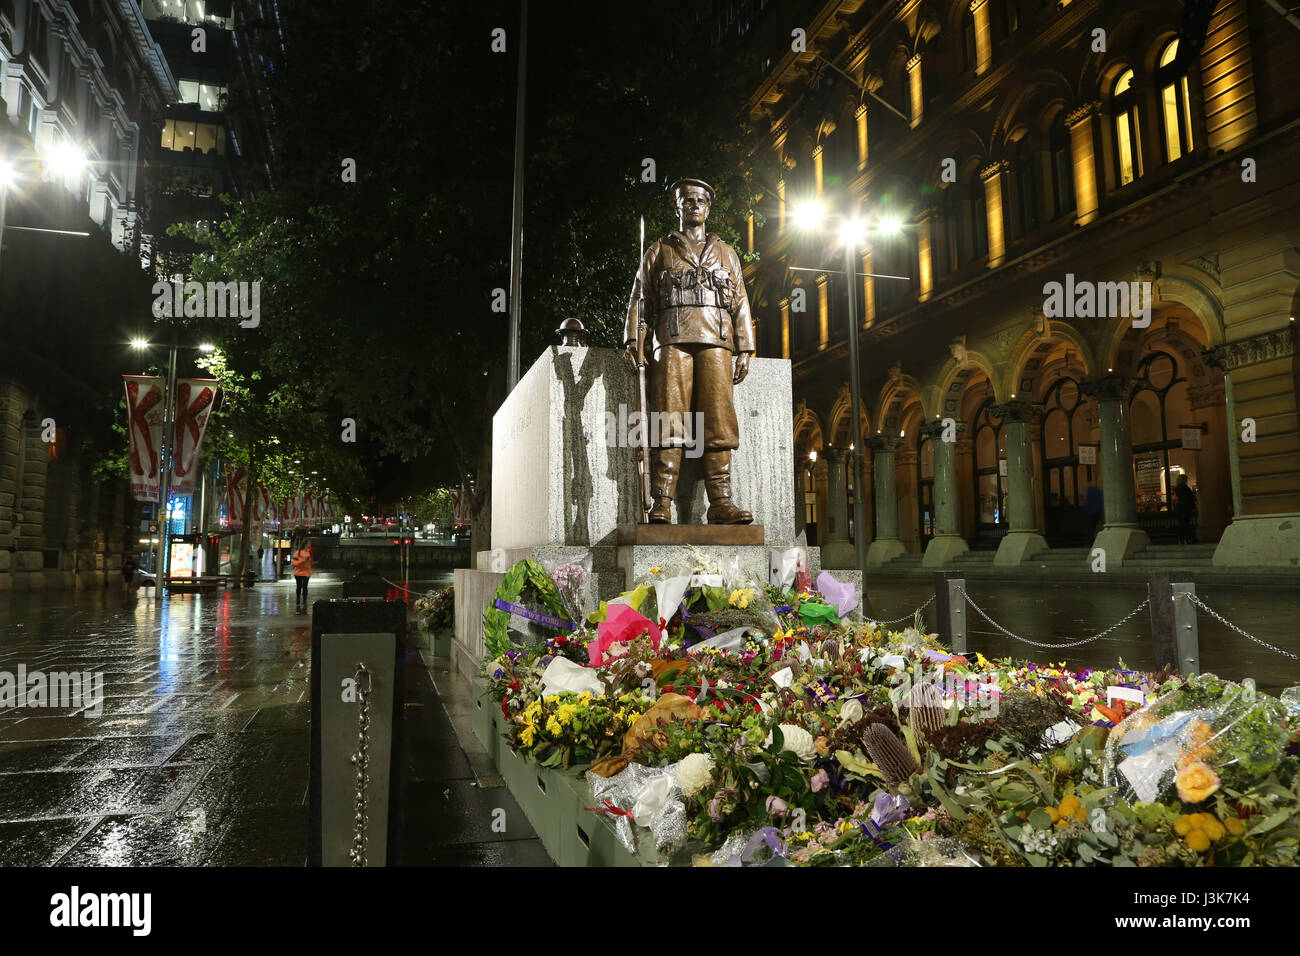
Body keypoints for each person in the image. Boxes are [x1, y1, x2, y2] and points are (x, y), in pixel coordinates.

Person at [624, 178, 755, 524]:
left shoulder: (726, 252)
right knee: (670, 418)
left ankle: (721, 501)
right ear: (678, 207)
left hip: (717, 340)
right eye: (687, 201)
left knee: (718, 420)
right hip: (672, 340)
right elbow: (640, 298)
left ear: (708, 207)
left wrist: (746, 347)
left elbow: (740, 301)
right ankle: (662, 500)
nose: (694, 205)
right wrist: (632, 340)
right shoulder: (659, 250)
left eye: (700, 200)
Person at [1173, 474, 1198, 544]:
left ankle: (1181, 539)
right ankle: (1187, 538)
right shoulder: (1185, 487)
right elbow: (1191, 496)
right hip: (1186, 507)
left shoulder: (1177, 488)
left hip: (1179, 507)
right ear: (1184, 480)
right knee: (1186, 523)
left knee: (1180, 524)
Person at [292, 540, 314, 612]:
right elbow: (294, 563)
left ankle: (304, 600)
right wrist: (302, 561)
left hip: (306, 573)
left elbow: (309, 564)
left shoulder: (309, 552)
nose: (310, 545)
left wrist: (309, 572)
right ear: (305, 544)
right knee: (299, 586)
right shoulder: (298, 553)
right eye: (309, 543)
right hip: (298, 573)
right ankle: (298, 598)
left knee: (305, 587)